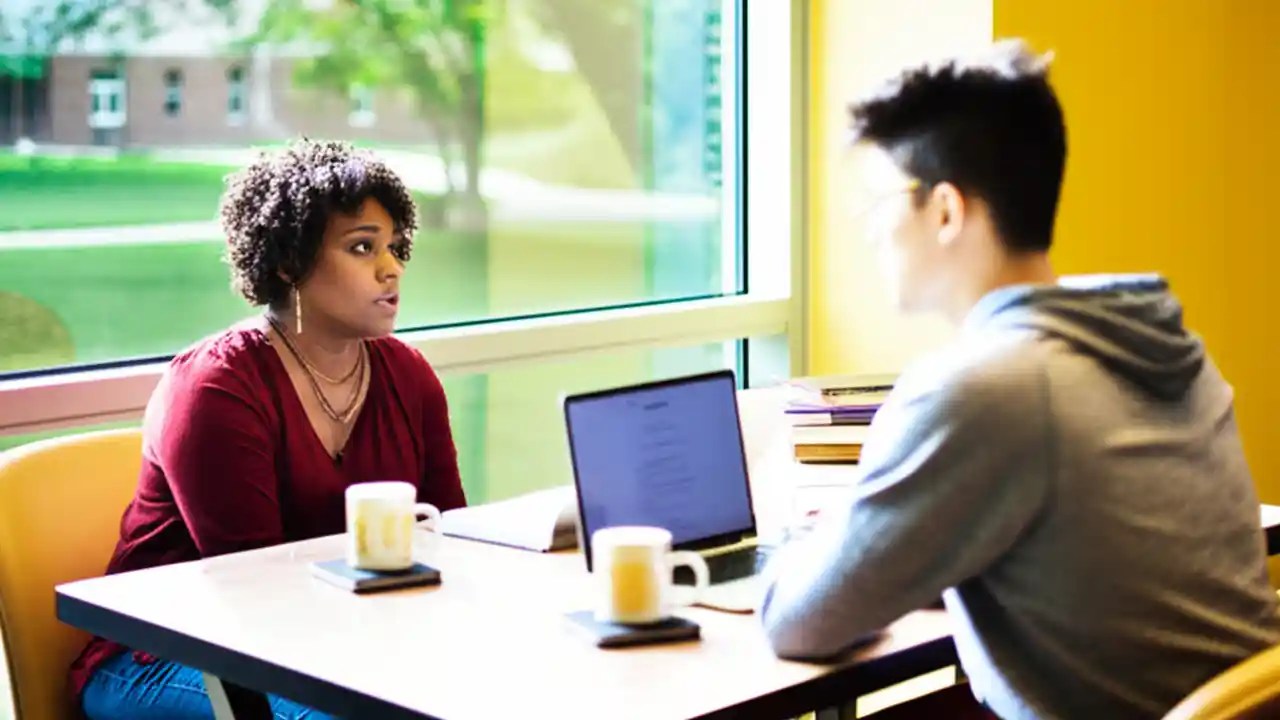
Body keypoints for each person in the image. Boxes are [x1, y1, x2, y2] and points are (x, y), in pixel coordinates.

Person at [758, 40, 1280, 719]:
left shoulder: (990, 389)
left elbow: (799, 622)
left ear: (945, 210)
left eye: (878, 201)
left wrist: (814, 537)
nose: (868, 231)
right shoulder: (1153, 342)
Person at [70, 139, 467, 720]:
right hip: (170, 654)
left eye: (395, 247)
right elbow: (256, 594)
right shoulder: (217, 388)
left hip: (340, 646)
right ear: (288, 261)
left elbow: (450, 539)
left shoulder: (408, 374)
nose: (392, 268)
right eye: (363, 248)